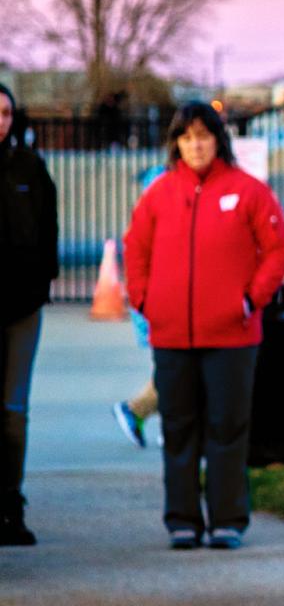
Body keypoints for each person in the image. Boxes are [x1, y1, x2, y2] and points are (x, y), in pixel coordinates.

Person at [123, 103, 284, 550]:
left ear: (218, 139)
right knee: (179, 429)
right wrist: (144, 299)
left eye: (203, 136)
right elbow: (135, 249)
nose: (195, 145)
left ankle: (227, 520)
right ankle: (182, 519)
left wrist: (249, 299)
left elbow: (278, 251)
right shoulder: (158, 194)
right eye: (186, 138)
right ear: (176, 144)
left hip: (233, 336)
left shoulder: (249, 191)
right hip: (172, 333)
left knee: (227, 428)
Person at [0, 82, 59, 546]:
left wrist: (41, 285)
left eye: (4, 113)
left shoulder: (31, 170)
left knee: (13, 412)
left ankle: (10, 504)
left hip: (21, 310)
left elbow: (48, 234)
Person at [114, 166, 167, 449]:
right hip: (160, 310)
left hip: (159, 309)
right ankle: (137, 410)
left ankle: (142, 413)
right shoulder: (156, 222)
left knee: (174, 371)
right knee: (174, 371)